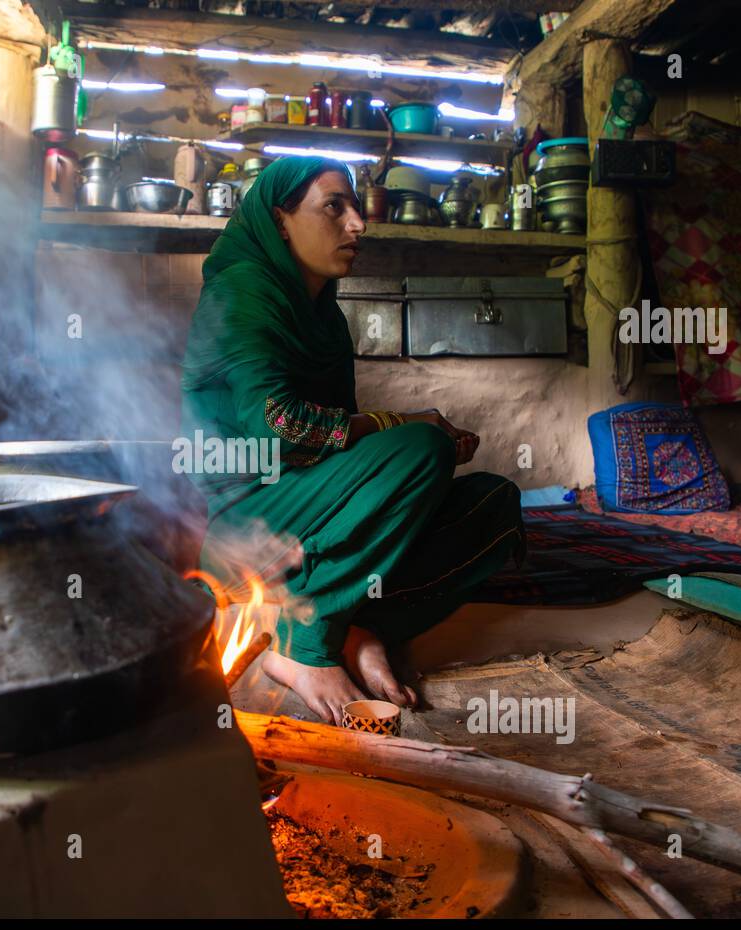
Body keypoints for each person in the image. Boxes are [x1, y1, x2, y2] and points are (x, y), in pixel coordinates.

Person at [180, 155, 526, 724]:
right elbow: (283, 428)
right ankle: (305, 646)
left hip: (311, 512)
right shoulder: (242, 292)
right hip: (246, 525)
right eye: (333, 207)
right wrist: (407, 427)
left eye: (356, 207)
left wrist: (409, 450)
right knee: (420, 452)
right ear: (281, 220)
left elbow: (341, 440)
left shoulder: (324, 315)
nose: (358, 223)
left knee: (494, 503)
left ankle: (358, 627)